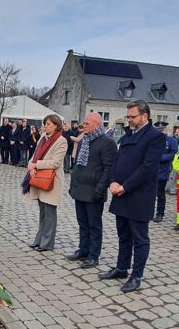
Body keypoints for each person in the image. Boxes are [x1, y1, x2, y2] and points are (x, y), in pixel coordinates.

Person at [98, 100, 167, 293]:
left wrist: (125, 186)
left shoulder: (155, 137)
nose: (129, 119)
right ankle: (121, 268)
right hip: (120, 192)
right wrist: (112, 181)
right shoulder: (129, 135)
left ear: (144, 116)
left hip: (139, 195)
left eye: (132, 116)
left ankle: (136, 275)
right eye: (128, 116)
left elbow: (147, 167)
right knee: (123, 235)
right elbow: (116, 161)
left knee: (140, 238)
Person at [67, 112, 117, 268]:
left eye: (87, 123)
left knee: (94, 225)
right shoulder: (84, 140)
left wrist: (100, 189)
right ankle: (83, 250)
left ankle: (93, 255)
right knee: (82, 223)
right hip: (80, 189)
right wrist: (73, 183)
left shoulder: (107, 142)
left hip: (94, 191)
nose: (83, 125)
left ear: (96, 124)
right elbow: (77, 165)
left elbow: (109, 169)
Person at [24, 114, 68, 252]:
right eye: (45, 123)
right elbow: (34, 155)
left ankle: (47, 243)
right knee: (42, 212)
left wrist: (36, 165)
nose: (46, 126)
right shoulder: (42, 138)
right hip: (39, 179)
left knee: (50, 213)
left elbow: (55, 162)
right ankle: (39, 240)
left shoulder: (61, 140)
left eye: (49, 124)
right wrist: (31, 164)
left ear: (56, 125)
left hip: (51, 181)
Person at [153, 122, 179, 222]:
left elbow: (173, 153)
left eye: (162, 130)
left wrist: (160, 158)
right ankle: (149, 212)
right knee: (149, 194)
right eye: (159, 130)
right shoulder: (153, 140)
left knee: (160, 194)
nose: (161, 132)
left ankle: (160, 213)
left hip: (162, 171)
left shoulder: (171, 140)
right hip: (151, 171)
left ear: (166, 130)